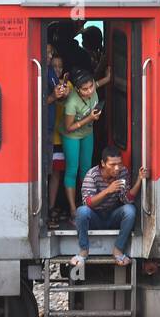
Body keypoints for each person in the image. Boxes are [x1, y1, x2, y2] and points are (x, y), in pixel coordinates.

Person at [73, 147, 148, 266]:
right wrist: (108, 190)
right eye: (112, 164)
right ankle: (83, 251)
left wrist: (139, 179)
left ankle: (118, 249)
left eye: (119, 164)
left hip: (112, 216)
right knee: (82, 211)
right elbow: (88, 203)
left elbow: (127, 199)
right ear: (103, 163)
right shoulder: (92, 175)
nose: (117, 168)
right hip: (95, 217)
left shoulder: (122, 172)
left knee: (130, 210)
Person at [62, 72, 101, 215]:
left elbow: (98, 84)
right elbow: (69, 127)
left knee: (86, 169)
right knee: (72, 169)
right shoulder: (72, 102)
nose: (90, 90)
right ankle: (73, 209)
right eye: (85, 89)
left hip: (87, 134)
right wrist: (89, 118)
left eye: (91, 86)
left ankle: (86, 205)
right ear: (78, 90)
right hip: (72, 136)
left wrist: (108, 77)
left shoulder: (93, 88)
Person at [45, 49, 72, 226]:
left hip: (58, 137)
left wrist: (63, 90)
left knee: (56, 173)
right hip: (51, 135)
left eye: (59, 66)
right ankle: (47, 209)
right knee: (48, 173)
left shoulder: (65, 84)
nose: (56, 68)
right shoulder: (47, 80)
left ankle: (51, 206)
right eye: (54, 65)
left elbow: (67, 95)